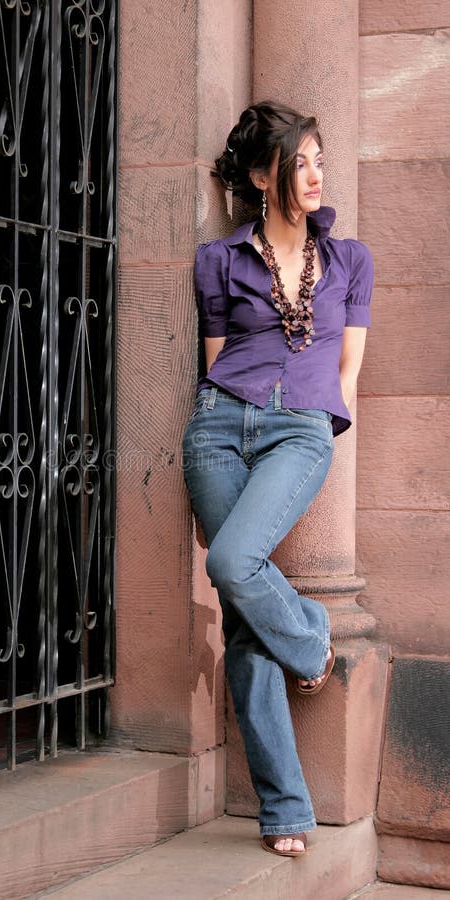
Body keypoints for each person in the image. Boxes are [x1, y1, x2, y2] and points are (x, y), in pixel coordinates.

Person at [181, 101, 373, 857]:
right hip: (219, 426)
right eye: (299, 162)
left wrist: (324, 414)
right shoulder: (217, 261)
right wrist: (216, 415)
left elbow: (348, 366)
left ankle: (310, 639)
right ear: (262, 177)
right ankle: (286, 808)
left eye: (319, 158)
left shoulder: (350, 259)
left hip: (299, 430)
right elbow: (214, 360)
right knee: (239, 619)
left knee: (230, 564)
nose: (314, 174)